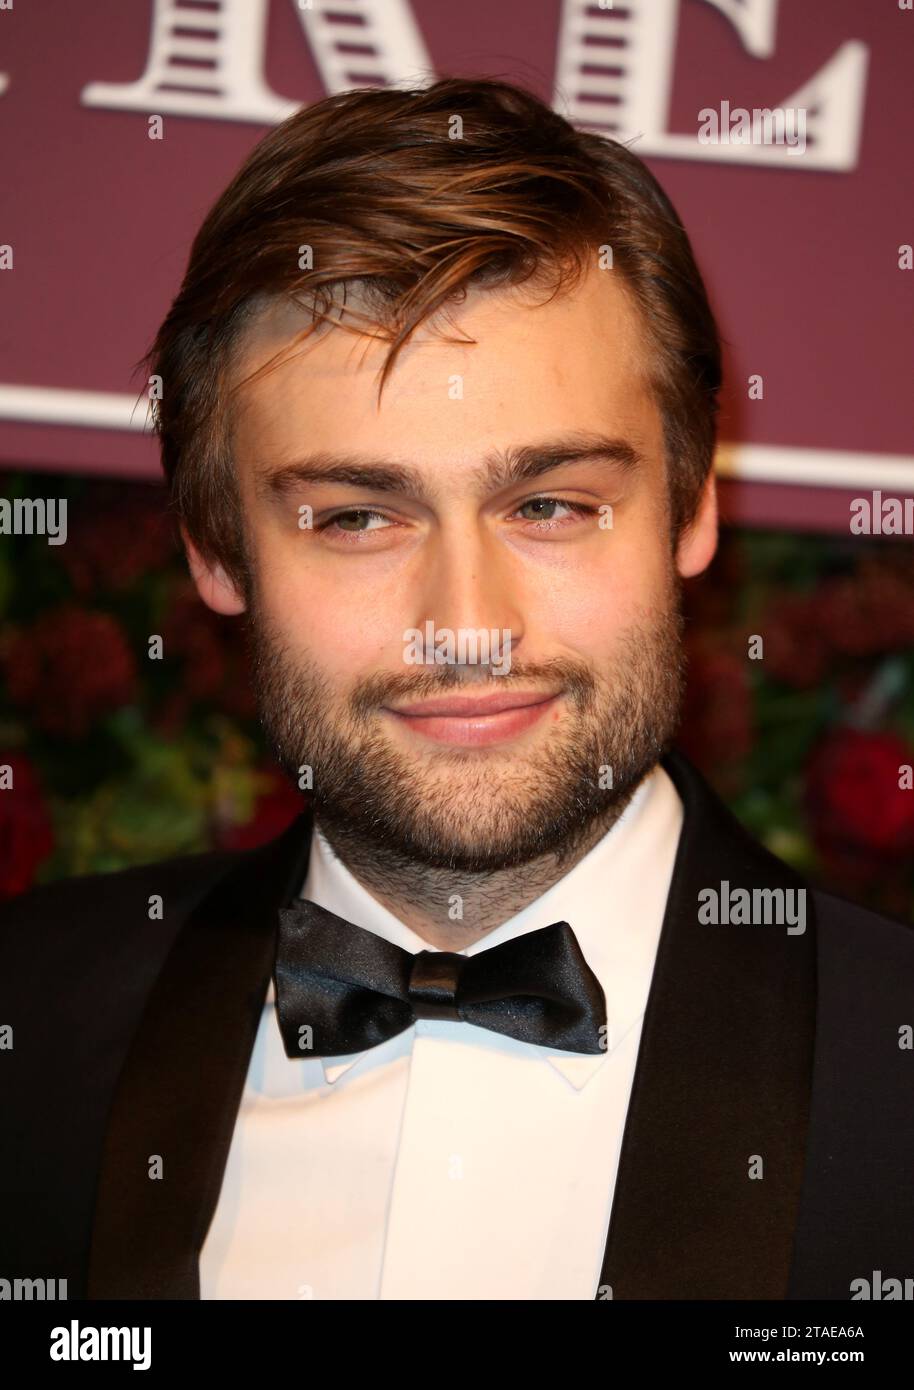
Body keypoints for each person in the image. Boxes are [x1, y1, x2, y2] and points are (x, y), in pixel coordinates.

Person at [1, 77, 912, 1303]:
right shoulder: (29, 1023)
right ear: (215, 550)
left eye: (551, 505)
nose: (468, 625)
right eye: (357, 517)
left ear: (690, 507)